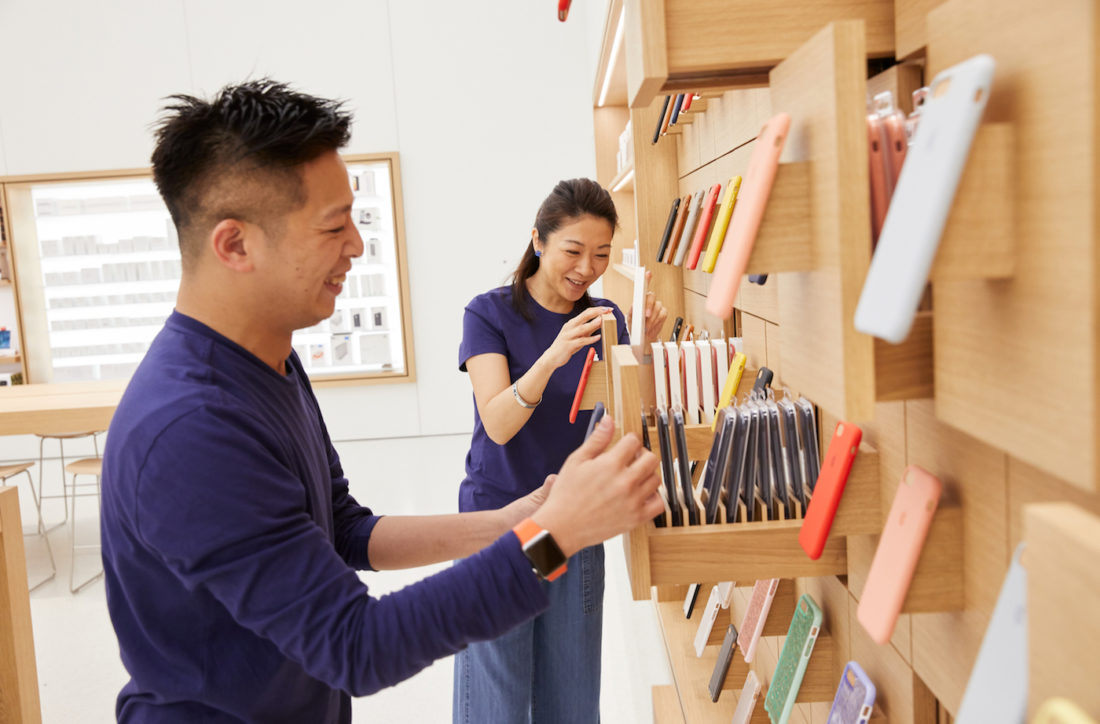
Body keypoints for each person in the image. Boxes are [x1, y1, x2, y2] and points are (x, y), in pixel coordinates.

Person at [99, 80, 664, 724]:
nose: (357, 246)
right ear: (235, 245)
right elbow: (357, 647)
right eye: (334, 226)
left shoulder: (272, 363)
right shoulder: (192, 428)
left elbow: (345, 530)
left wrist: (518, 520)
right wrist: (552, 535)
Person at [455, 178, 668, 722]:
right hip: (500, 525)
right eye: (573, 250)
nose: (587, 268)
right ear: (538, 241)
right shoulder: (488, 314)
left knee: (570, 690)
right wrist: (551, 357)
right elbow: (498, 423)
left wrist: (641, 355)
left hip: (569, 526)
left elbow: (618, 424)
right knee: (498, 690)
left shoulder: (606, 321)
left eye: (601, 255)